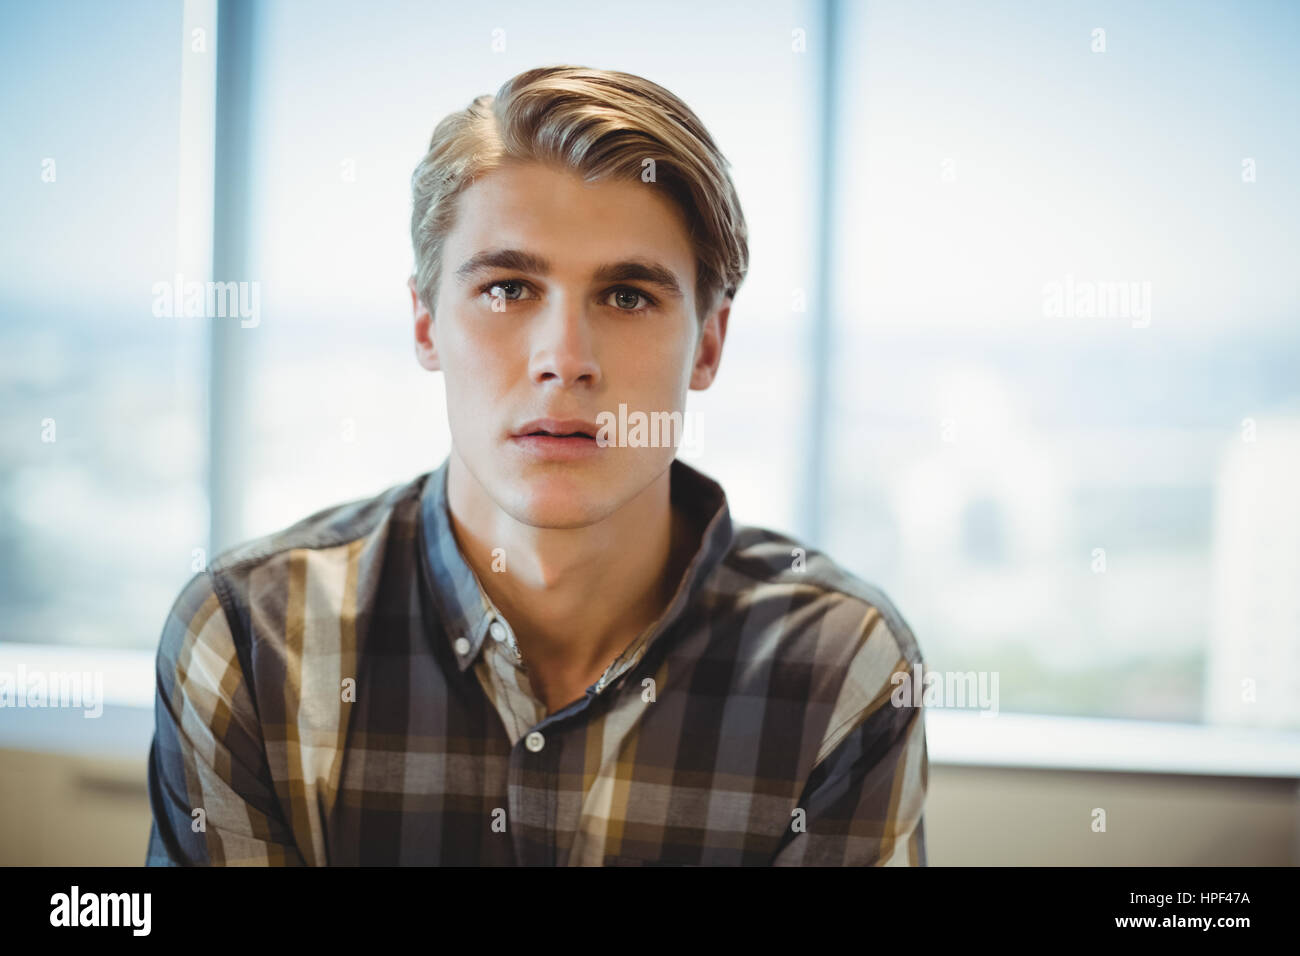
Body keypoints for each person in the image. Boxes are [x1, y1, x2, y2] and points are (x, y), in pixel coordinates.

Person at [146, 65, 927, 866]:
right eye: (508, 287)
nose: (565, 360)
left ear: (710, 342)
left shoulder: (839, 667)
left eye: (627, 296)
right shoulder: (250, 639)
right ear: (425, 324)